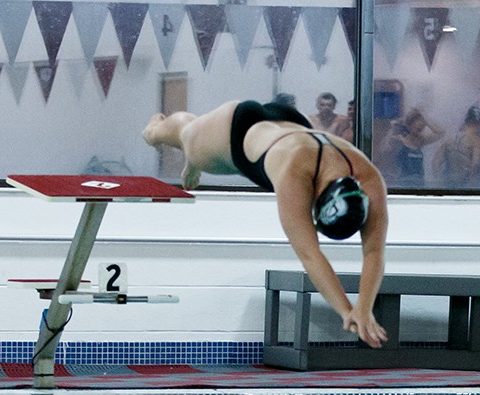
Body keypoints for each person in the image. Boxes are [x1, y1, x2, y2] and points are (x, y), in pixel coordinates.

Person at [142, 100, 389, 348]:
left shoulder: (367, 175)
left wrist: (363, 308)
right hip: (235, 131)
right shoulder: (295, 172)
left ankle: (197, 157)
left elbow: (374, 251)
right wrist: (346, 311)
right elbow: (310, 255)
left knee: (199, 140)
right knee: (182, 136)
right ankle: (168, 139)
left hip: (290, 122)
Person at [380, 108, 445, 187]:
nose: (421, 126)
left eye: (422, 126)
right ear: (410, 124)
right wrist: (392, 129)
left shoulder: (421, 141)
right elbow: (383, 149)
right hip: (404, 184)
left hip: (420, 185)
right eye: (417, 125)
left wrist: (426, 120)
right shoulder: (400, 139)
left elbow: (441, 132)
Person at [432, 106, 480, 187]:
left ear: (466, 121)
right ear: (479, 123)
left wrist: (440, 181)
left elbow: (436, 162)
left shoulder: (449, 139)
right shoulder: (477, 141)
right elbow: (475, 165)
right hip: (466, 186)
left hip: (449, 185)